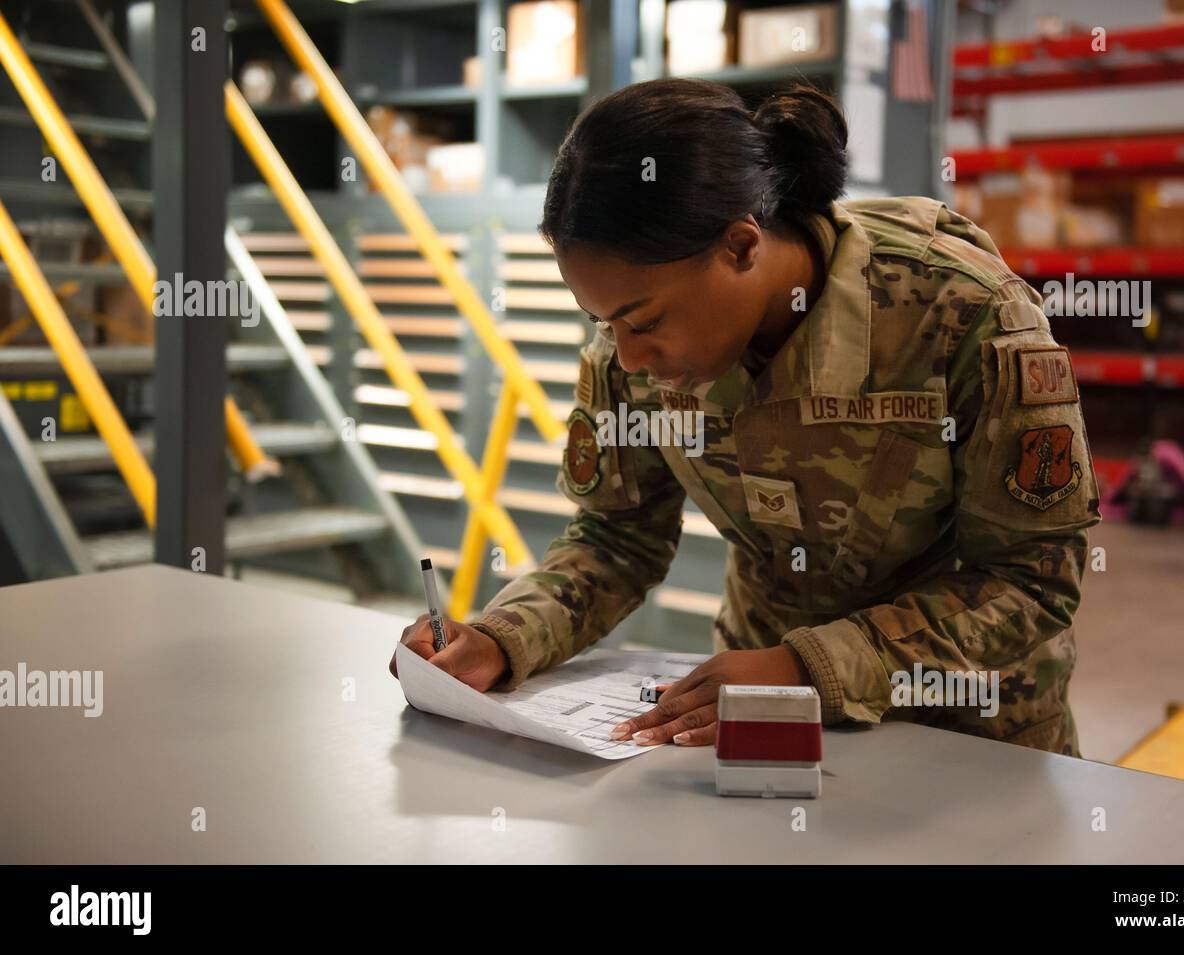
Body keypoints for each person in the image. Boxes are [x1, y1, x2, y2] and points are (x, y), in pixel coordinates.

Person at [389, 78, 1102, 757]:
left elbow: (1030, 577)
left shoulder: (963, 313)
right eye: (604, 321)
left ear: (741, 245)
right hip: (752, 711)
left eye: (643, 320)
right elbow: (615, 537)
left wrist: (806, 667)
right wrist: (499, 638)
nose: (628, 357)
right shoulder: (627, 345)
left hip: (968, 731)